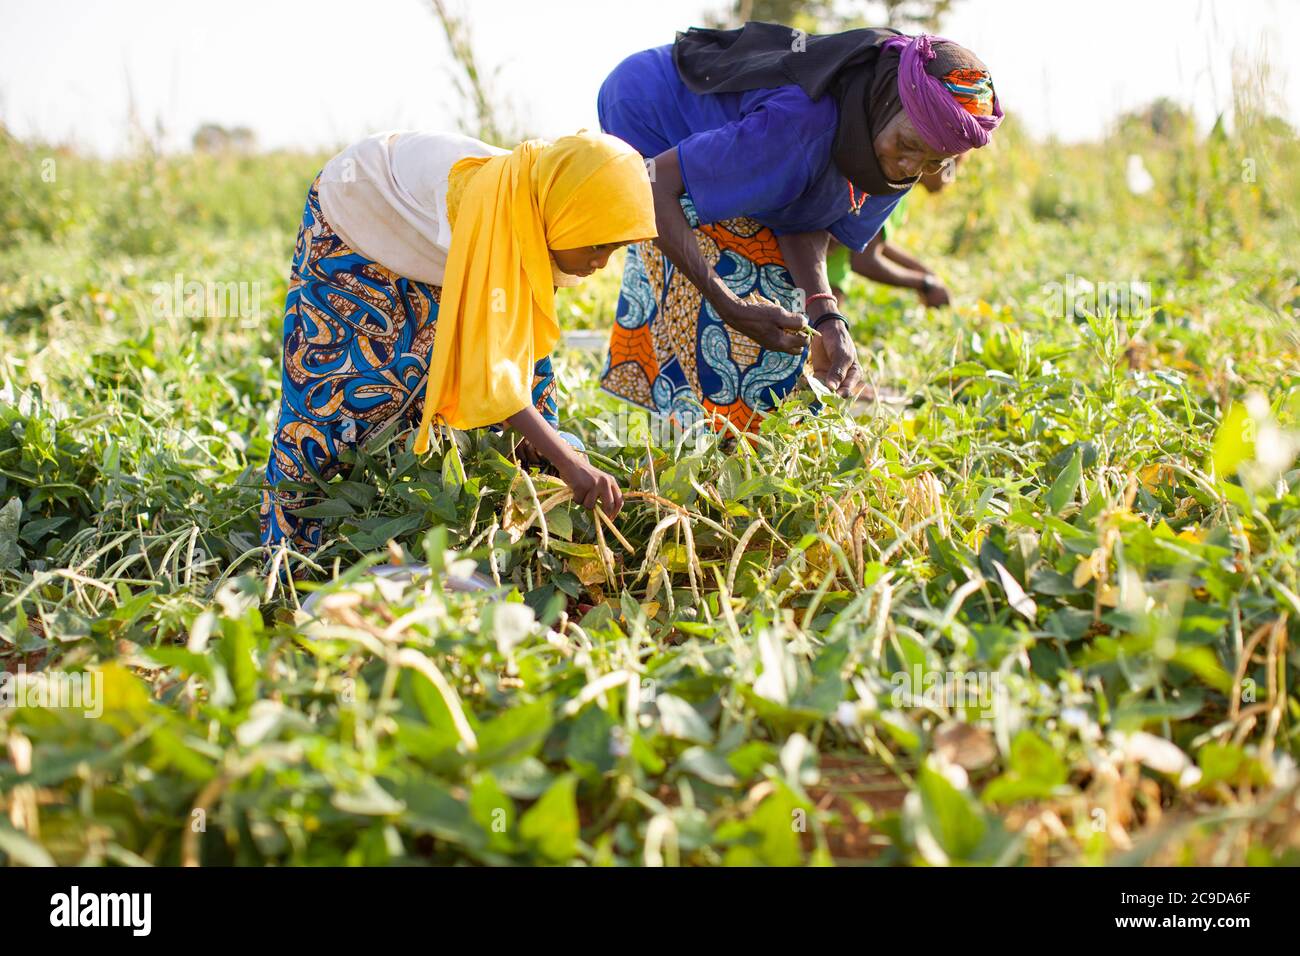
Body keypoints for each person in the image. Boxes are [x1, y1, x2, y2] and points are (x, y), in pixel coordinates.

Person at [259, 130, 656, 555]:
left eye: (615, 248)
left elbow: (516, 350)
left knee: (454, 378)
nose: (601, 262)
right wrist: (568, 461)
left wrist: (547, 448)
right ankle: (291, 553)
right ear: (569, 215)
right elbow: (488, 368)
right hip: (358, 214)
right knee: (340, 391)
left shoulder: (541, 202)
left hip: (430, 230)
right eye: (598, 245)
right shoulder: (491, 212)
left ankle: (487, 517)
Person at [596, 24, 1001, 431]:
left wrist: (829, 318)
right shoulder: (799, 127)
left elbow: (804, 221)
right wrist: (728, 305)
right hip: (650, 109)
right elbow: (654, 184)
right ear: (886, 101)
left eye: (934, 163)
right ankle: (700, 438)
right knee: (745, 291)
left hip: (732, 150)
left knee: (785, 310)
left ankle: (713, 431)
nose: (912, 168)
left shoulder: (896, 151)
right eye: (910, 148)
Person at [826, 156, 964, 309]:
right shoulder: (892, 189)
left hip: (827, 277)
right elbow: (863, 260)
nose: (950, 179)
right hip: (820, 278)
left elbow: (872, 242)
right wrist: (924, 284)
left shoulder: (899, 193)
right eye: (950, 167)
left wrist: (926, 273)